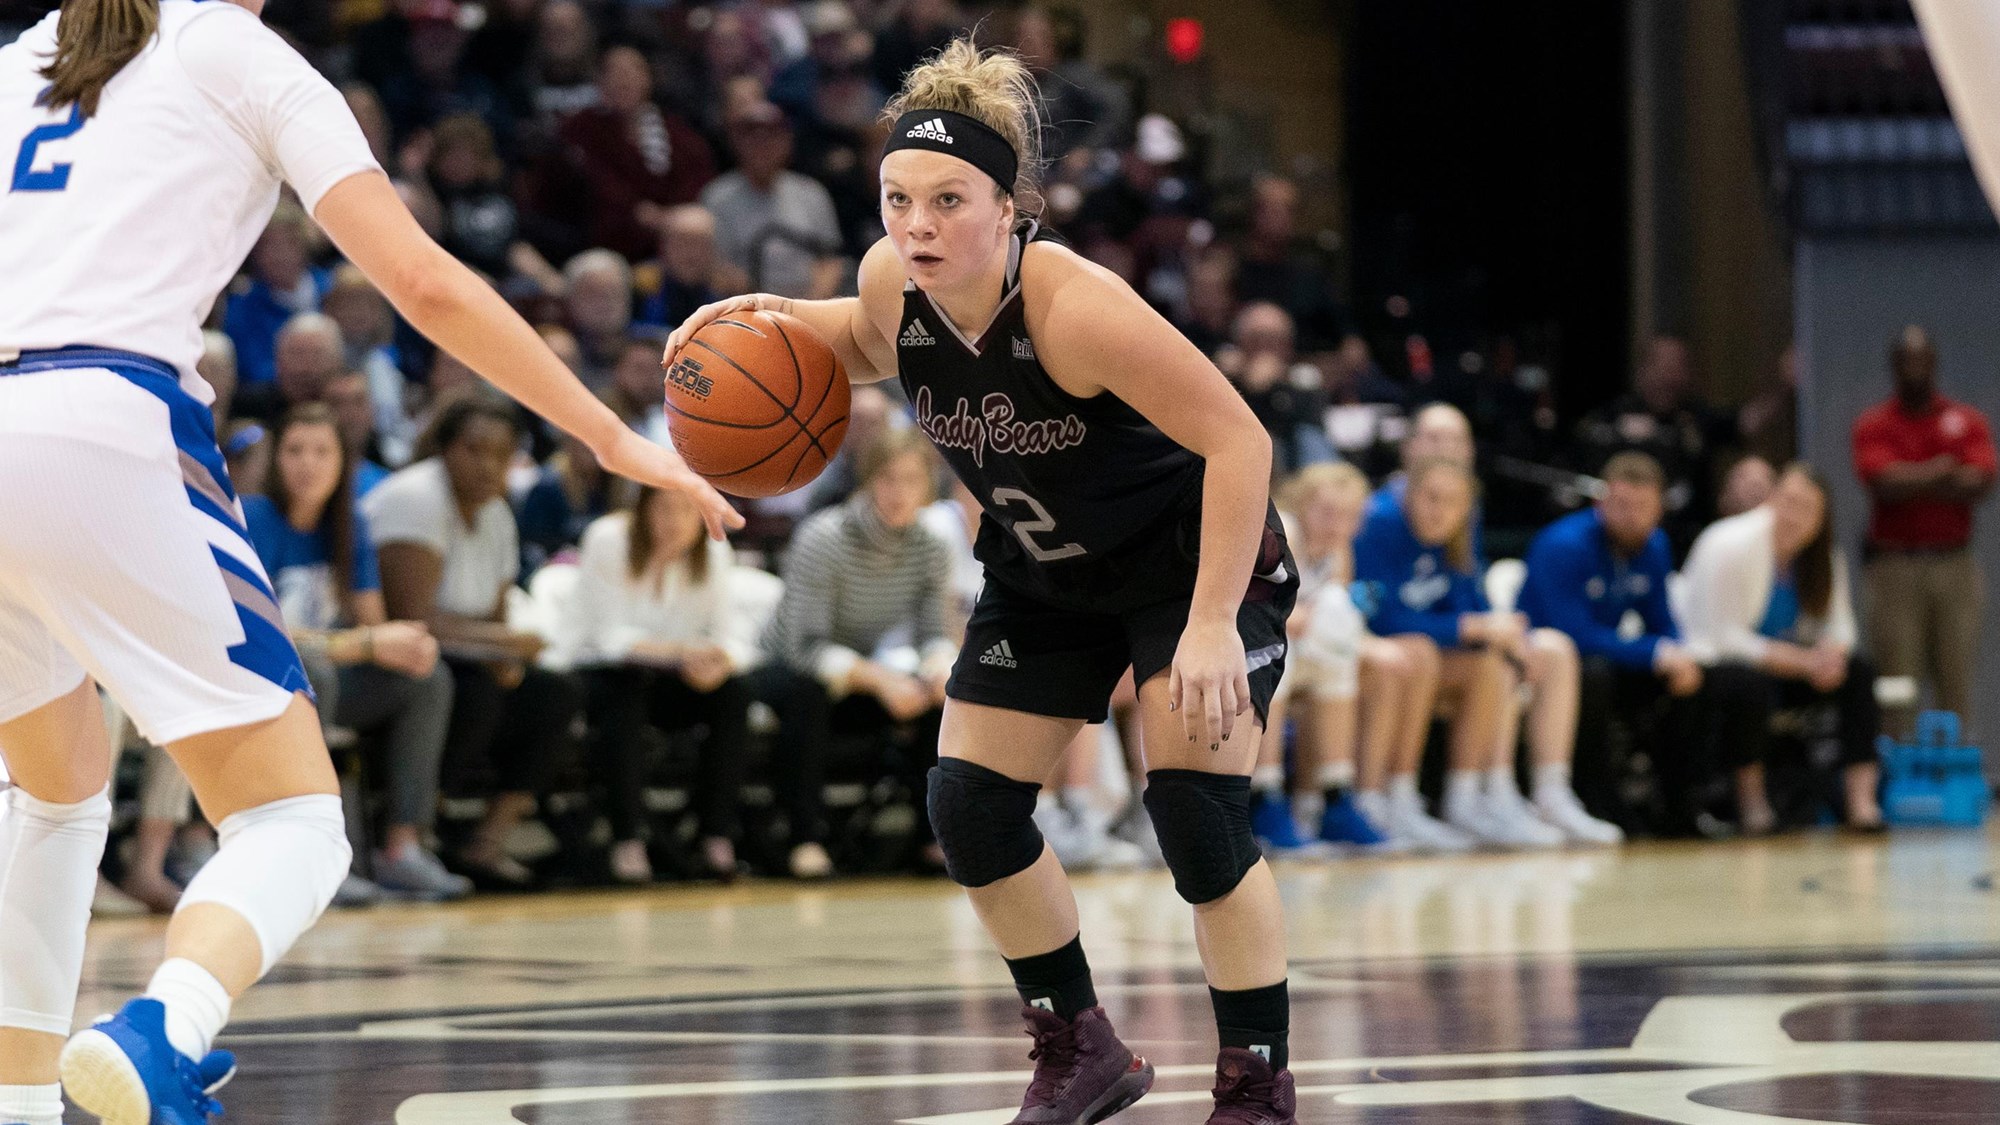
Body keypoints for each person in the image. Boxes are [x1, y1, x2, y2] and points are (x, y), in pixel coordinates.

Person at [0, 0, 736, 1121]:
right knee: (292, 822)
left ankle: (17, 1102)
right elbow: (425, 283)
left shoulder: (28, 51)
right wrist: (606, 432)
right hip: (102, 414)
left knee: (51, 794)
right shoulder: (238, 51)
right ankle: (164, 1030)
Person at [667, 40, 1303, 1122]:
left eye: (948, 201)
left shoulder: (1073, 308)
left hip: (1187, 565)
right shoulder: (890, 282)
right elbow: (850, 341)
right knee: (967, 803)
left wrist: (1206, 625)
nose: (916, 225)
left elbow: (1239, 441)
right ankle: (1080, 1046)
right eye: (896, 199)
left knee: (1194, 814)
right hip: (1046, 571)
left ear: (1009, 209)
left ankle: (1255, 1083)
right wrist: (735, 324)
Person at [243, 405, 468, 900]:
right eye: (295, 450)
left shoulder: (350, 526)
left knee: (426, 681)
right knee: (314, 674)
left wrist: (404, 644)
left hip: (327, 677)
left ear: (344, 462)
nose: (309, 464)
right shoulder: (252, 520)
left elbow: (372, 629)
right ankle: (318, 856)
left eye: (323, 451)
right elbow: (262, 638)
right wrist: (367, 643)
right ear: (274, 460)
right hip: (257, 687)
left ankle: (403, 848)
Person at [365, 399, 590, 889]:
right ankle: (409, 837)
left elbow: (497, 616)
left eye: (501, 454)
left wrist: (506, 655)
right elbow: (411, 618)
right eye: (474, 450)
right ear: (445, 449)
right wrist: (502, 643)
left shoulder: (498, 515)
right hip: (389, 656)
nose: (488, 464)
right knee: (471, 692)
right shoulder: (416, 498)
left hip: (463, 657)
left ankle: (486, 841)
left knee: (554, 692)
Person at [754, 429, 957, 880]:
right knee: (808, 696)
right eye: (887, 479)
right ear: (867, 481)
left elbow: (934, 635)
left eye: (911, 480)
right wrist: (883, 681)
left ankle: (933, 838)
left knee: (938, 699)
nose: (898, 492)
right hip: (782, 667)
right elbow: (804, 647)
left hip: (854, 668)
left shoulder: (931, 546)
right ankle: (804, 838)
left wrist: (937, 672)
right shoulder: (824, 537)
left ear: (928, 485)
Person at [561, 485, 758, 884]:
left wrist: (718, 662)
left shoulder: (715, 550)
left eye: (688, 512)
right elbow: (606, 638)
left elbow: (733, 635)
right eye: (665, 509)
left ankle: (716, 833)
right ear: (643, 508)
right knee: (626, 694)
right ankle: (627, 837)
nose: (676, 523)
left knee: (733, 694)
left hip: (676, 678)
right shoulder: (607, 538)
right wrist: (681, 653)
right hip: (602, 674)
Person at [1681, 465, 1884, 833]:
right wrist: (1803, 662)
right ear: (1772, 499)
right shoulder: (1729, 543)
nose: (1794, 515)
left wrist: (1831, 657)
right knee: (1749, 684)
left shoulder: (1822, 556)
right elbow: (1724, 638)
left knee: (1859, 671)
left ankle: (1861, 803)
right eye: (1788, 501)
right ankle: (1752, 802)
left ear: (1821, 518)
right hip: (1719, 666)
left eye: (1807, 508)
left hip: (1791, 669)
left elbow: (1841, 626)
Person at [1251, 463, 1436, 852]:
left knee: (1340, 664)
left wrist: (1365, 644)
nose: (1338, 525)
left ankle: (1336, 797)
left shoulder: (1339, 551)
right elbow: (1264, 614)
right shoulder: (1280, 533)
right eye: (1328, 512)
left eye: (1349, 516)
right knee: (1284, 656)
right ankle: (1263, 799)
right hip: (1253, 650)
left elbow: (1337, 619)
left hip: (1304, 650)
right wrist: (1350, 636)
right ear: (1302, 505)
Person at [1519, 452, 1706, 834]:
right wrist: (1655, 652)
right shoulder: (1564, 546)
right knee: (1595, 675)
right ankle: (1598, 798)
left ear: (1659, 509)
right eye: (1620, 505)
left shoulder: (1654, 546)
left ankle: (1677, 808)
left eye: (1642, 506)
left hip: (1604, 656)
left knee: (1693, 678)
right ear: (1599, 504)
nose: (1631, 516)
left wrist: (1677, 652)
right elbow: (1575, 636)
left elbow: (1662, 620)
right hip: (1545, 666)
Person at [1851, 326, 1997, 734]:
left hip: (1954, 564)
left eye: (1921, 359)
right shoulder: (1875, 424)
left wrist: (1912, 478)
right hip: (1895, 566)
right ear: (1894, 366)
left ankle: (1952, 778)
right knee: (1898, 682)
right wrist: (1942, 471)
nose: (1914, 368)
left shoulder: (1965, 420)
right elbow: (1882, 482)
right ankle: (1899, 775)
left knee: (1956, 678)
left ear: (1934, 363)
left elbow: (1981, 480)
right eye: (1906, 360)